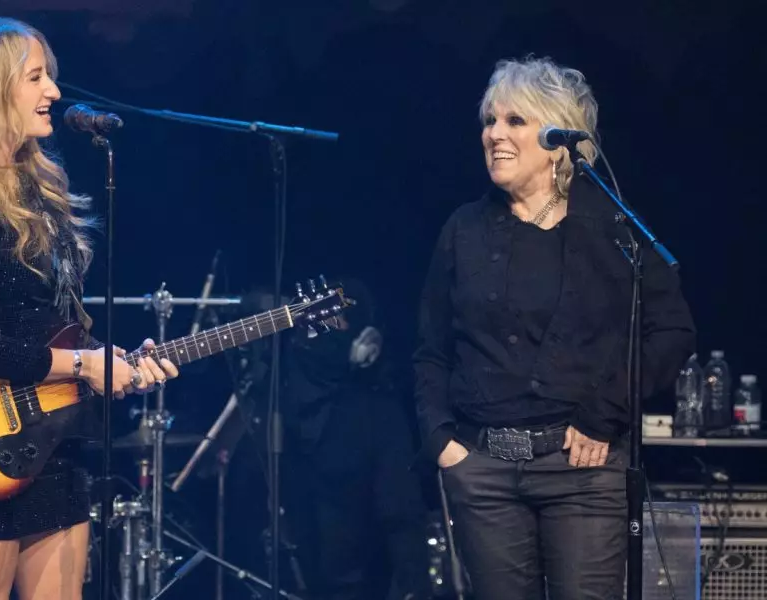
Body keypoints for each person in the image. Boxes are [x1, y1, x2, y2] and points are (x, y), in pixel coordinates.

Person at [0, 17, 179, 600]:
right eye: (35, 77)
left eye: (48, 75)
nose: (53, 90)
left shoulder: (39, 190)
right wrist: (84, 367)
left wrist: (112, 361)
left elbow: (52, 326)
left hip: (53, 435)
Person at [412, 56, 696, 600]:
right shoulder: (463, 229)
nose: (494, 134)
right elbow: (431, 349)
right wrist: (441, 441)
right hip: (483, 469)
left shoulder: (612, 227)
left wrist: (604, 413)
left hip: (582, 474)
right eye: (489, 121)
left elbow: (671, 331)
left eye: (515, 121)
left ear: (559, 139)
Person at [282, 278, 432, 600]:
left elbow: (402, 515)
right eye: (314, 323)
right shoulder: (282, 408)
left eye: (335, 319)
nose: (321, 333)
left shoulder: (377, 413)